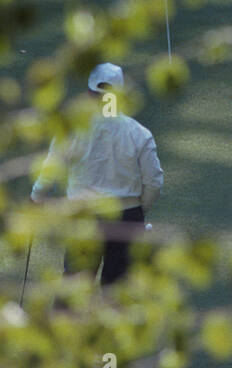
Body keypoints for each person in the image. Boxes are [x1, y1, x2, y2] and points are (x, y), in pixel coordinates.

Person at [31, 62, 164, 285]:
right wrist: (138, 211)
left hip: (83, 215)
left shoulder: (71, 129)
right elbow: (154, 182)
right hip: (126, 217)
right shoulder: (140, 133)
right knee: (117, 293)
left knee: (74, 290)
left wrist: (37, 198)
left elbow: (51, 168)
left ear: (89, 92)